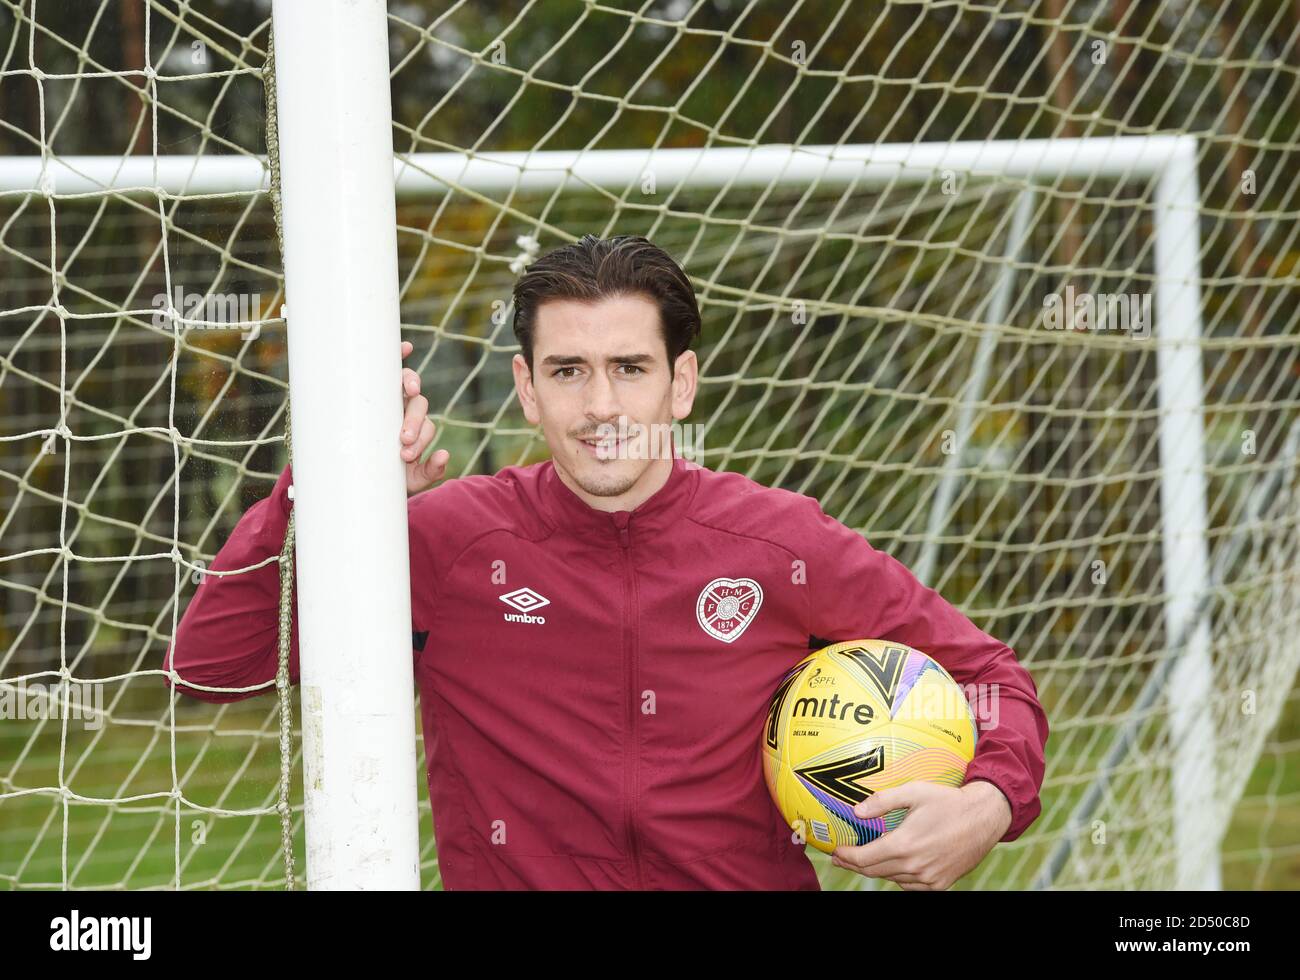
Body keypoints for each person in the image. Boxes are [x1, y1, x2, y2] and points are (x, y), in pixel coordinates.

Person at [165, 234, 1048, 890]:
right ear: (526, 386)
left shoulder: (780, 543)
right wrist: (322, 490)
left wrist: (987, 806)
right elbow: (215, 667)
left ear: (683, 381)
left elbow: (988, 674)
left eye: (630, 367)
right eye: (568, 371)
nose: (600, 405)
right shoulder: (449, 541)